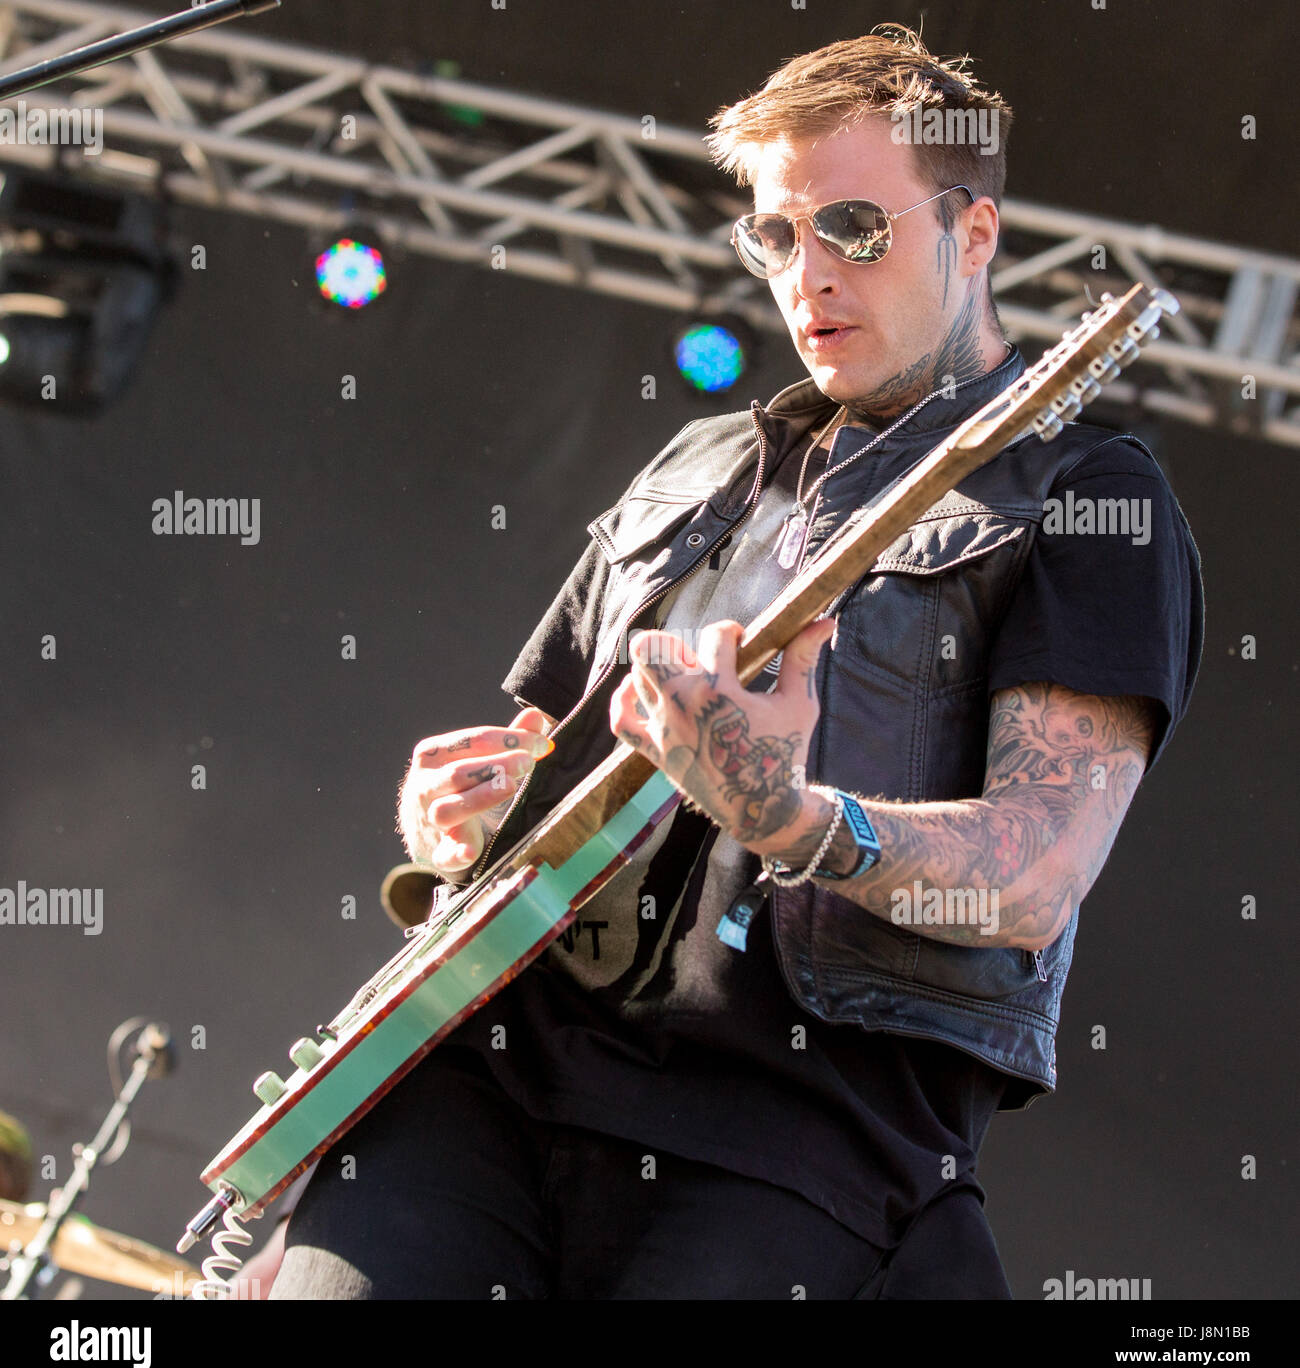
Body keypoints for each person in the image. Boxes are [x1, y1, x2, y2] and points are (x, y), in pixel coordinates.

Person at [270, 25, 1202, 1300]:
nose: (806, 273)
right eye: (776, 236)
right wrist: (447, 818)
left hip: (793, 1127)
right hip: (489, 1066)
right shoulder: (697, 461)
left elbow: (1036, 871)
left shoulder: (1091, 497)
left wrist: (791, 816)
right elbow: (534, 761)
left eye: (855, 229)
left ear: (973, 235)